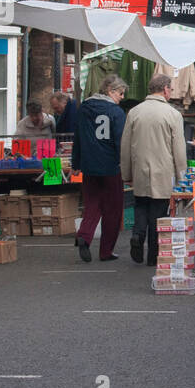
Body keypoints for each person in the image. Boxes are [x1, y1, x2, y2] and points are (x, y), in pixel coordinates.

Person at [120, 73, 188, 265]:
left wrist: (126, 173)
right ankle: (153, 255)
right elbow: (179, 150)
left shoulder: (134, 112)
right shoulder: (173, 114)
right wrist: (182, 177)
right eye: (171, 89)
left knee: (141, 205)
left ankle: (138, 234)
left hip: (140, 169)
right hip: (163, 171)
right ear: (165, 89)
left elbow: (125, 146)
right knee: (158, 213)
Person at [72, 74, 128, 263]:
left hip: (88, 165)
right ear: (111, 91)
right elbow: (120, 142)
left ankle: (84, 235)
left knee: (92, 204)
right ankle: (105, 251)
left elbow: (78, 137)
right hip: (111, 165)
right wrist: (126, 166)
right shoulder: (117, 113)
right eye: (120, 93)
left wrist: (76, 164)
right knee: (112, 209)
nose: (122, 97)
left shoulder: (84, 108)